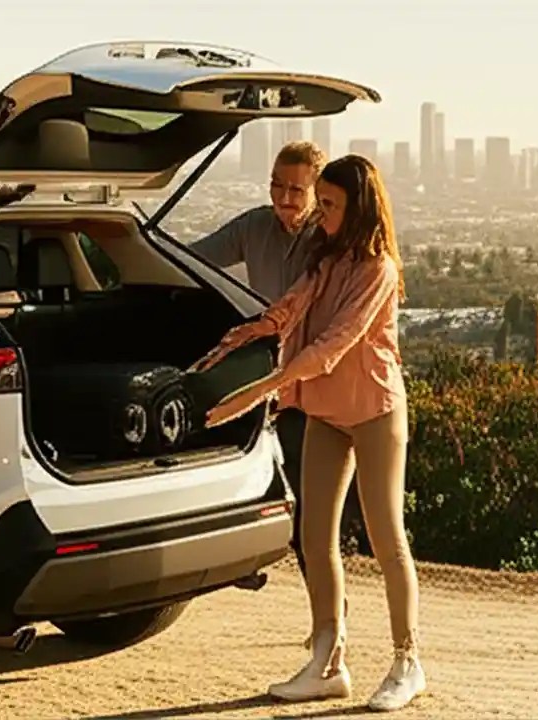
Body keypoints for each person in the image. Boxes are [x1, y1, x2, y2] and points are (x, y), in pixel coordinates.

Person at [194, 155, 425, 712]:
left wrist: (261, 390)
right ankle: (328, 660)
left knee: (386, 538)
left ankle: (407, 661)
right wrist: (238, 339)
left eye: (328, 205)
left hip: (373, 411)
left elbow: (335, 346)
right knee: (314, 538)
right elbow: (288, 311)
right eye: (319, 202)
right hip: (326, 411)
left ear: (357, 208)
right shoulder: (325, 258)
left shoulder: (379, 270)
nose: (317, 213)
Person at [190, 140, 355, 644]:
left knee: (310, 504)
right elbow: (193, 261)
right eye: (278, 186)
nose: (285, 198)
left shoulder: (327, 237)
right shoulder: (253, 226)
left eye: (297, 190)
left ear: (317, 191)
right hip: (261, 377)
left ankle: (330, 619)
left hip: (310, 383)